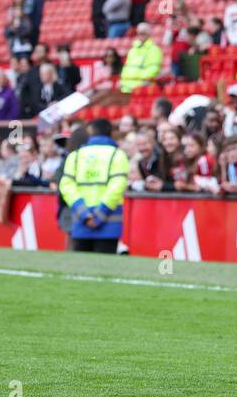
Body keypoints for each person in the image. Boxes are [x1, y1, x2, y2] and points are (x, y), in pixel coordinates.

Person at [59, 118, 128, 252]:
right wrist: (99, 215)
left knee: (79, 269)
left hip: (81, 220)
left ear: (90, 132)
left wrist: (85, 214)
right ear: (110, 133)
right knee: (105, 269)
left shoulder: (75, 156)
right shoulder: (118, 155)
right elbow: (117, 187)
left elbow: (66, 186)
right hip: (109, 223)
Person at [120, 23, 162, 93]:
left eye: (143, 33)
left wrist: (136, 79)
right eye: (139, 33)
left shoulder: (154, 50)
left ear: (149, 34)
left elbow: (153, 70)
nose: (140, 35)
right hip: (126, 87)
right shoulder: (132, 50)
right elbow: (126, 68)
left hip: (141, 88)